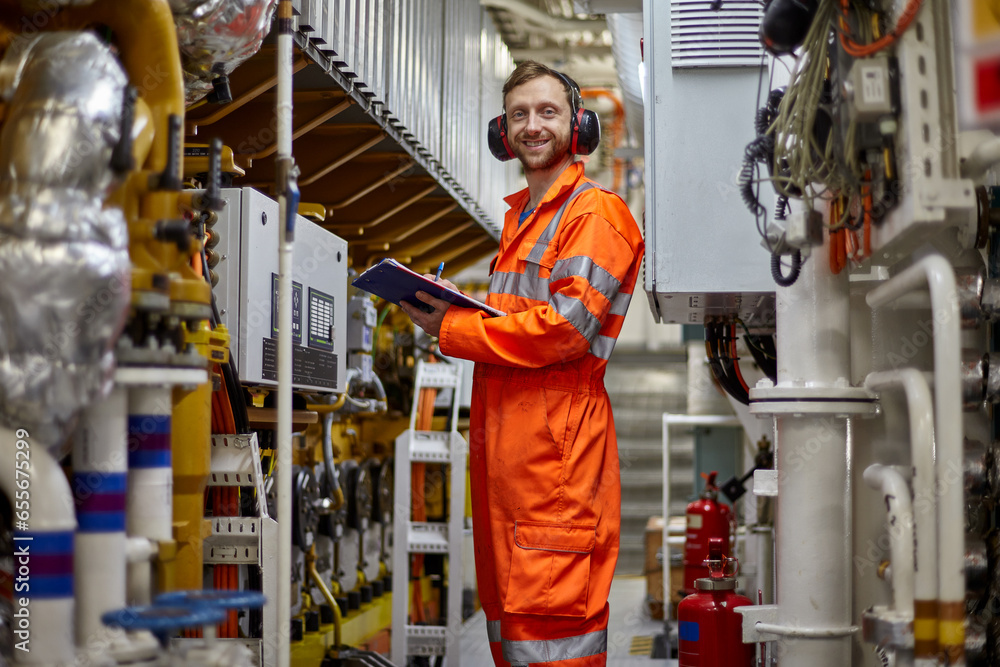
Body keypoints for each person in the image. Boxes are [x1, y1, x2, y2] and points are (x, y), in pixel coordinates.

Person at [400, 60, 644, 667]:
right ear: (501, 132)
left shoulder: (595, 214)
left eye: (547, 112)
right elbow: (514, 323)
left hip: (554, 468)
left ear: (579, 126)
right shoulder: (521, 220)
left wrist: (454, 326)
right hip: (507, 463)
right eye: (518, 115)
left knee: (553, 637)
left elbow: (565, 329)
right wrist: (450, 309)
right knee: (512, 633)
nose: (532, 126)